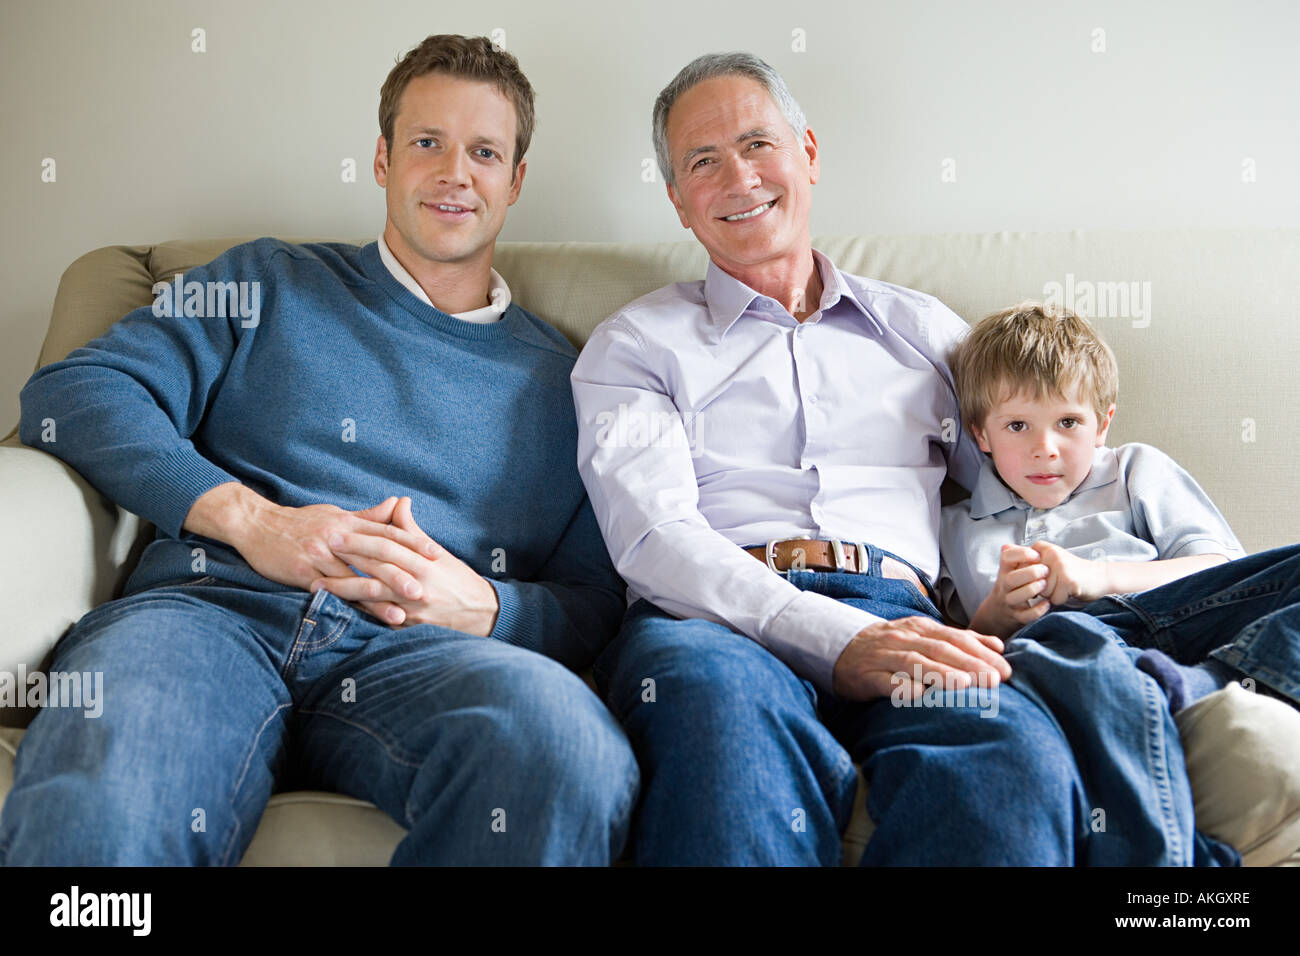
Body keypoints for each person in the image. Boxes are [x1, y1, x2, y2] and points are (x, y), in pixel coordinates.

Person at [570, 51, 1265, 866]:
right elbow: (653, 539)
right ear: (680, 202)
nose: (737, 176)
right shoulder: (635, 345)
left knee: (1008, 756)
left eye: (758, 145)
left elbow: (1021, 481)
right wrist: (835, 640)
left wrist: (1102, 572)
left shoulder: (927, 332)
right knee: (722, 736)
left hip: (910, 614)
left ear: (809, 155)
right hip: (713, 625)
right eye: (702, 160)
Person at [0, 34, 638, 866]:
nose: (455, 172)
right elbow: (74, 394)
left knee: (566, 752)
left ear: (514, 182)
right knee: (108, 794)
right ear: (381, 160)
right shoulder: (267, 280)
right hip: (206, 619)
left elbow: (597, 596)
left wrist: (490, 607)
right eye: (426, 143)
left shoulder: (570, 383)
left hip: (421, 656)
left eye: (484, 151)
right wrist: (250, 519)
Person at [939, 302, 1300, 862]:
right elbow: (962, 639)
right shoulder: (957, 527)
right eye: (1017, 426)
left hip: (1178, 613)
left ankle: (1204, 679)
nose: (1045, 448)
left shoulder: (1134, 470)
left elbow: (1220, 569)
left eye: (1068, 423)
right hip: (1065, 646)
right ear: (980, 434)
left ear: (1102, 422)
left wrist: (1096, 575)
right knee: (1074, 645)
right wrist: (999, 615)